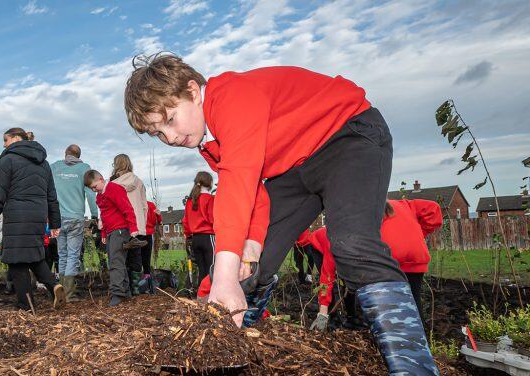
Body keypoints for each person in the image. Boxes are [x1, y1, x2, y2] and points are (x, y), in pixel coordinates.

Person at [123, 53, 437, 374]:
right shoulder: (211, 141)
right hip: (297, 167)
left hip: (347, 136)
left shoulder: (230, 95)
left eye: (171, 120)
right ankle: (230, 349)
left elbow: (238, 180)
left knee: (352, 245)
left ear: (192, 91)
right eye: (159, 134)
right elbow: (255, 193)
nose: (172, 138)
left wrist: (224, 276)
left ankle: (415, 365)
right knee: (250, 265)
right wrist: (254, 243)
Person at [0, 127, 65, 311]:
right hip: (38, 216)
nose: (3, 144)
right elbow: (51, 197)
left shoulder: (8, 160)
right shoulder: (44, 163)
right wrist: (55, 223)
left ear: (16, 138)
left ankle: (26, 305)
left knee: (16, 260)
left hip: (17, 215)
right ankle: (53, 285)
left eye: (5, 140)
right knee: (33, 255)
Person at [49, 144, 100, 302]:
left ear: (66, 154)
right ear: (79, 156)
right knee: (72, 255)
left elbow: (47, 190)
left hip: (57, 218)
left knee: (62, 255)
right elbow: (91, 194)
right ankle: (69, 294)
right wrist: (94, 215)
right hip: (75, 218)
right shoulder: (84, 168)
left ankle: (62, 293)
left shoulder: (54, 167)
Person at [85, 169, 141, 307]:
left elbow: (127, 208)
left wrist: (133, 228)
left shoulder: (114, 189)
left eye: (95, 186)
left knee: (115, 262)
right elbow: (104, 216)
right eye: (91, 188)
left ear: (101, 179)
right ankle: (126, 292)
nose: (94, 190)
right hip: (110, 232)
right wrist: (103, 233)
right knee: (116, 261)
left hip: (120, 230)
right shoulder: (100, 196)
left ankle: (117, 294)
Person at [110, 154, 150, 294]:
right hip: (136, 224)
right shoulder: (138, 182)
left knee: (120, 257)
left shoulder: (112, 183)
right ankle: (136, 289)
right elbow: (145, 206)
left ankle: (123, 289)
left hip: (118, 224)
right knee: (136, 256)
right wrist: (142, 223)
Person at [182, 172, 215, 291]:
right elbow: (213, 219)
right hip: (208, 237)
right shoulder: (210, 199)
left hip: (195, 238)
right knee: (212, 269)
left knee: (202, 270)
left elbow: (185, 221)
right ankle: (212, 297)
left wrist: (187, 235)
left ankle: (201, 296)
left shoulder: (190, 201)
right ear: (210, 183)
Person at [137, 201, 163, 294]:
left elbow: (158, 220)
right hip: (142, 233)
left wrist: (158, 216)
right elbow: (158, 221)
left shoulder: (149, 205)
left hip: (141, 233)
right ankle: (144, 282)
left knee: (141, 257)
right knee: (144, 257)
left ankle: (143, 283)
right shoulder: (150, 205)